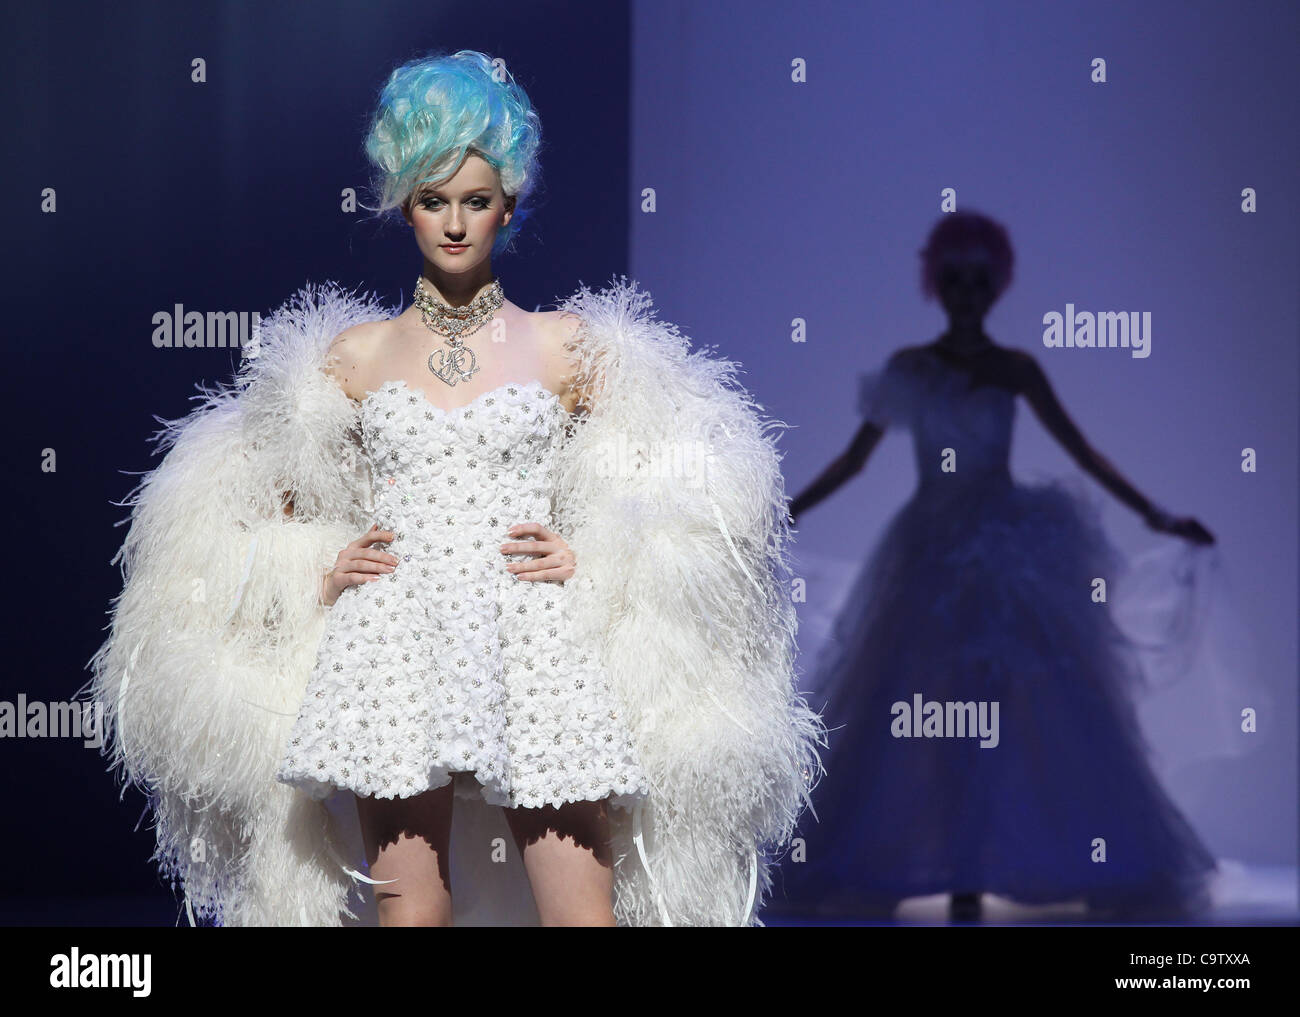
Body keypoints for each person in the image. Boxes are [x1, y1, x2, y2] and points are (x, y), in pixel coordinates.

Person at [82, 49, 824, 927]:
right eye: (435, 200)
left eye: (476, 200)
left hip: (532, 639)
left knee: (584, 918)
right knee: (412, 917)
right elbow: (235, 500)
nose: (456, 223)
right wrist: (313, 568)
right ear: (405, 203)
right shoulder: (352, 357)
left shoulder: (567, 348)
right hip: (395, 640)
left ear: (510, 202)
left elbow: (685, 486)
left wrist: (601, 552)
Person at [775, 210, 1218, 922]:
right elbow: (855, 461)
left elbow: (1082, 452)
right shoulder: (909, 369)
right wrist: (784, 511)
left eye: (980, 280)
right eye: (956, 279)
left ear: (998, 286)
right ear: (937, 284)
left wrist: (1158, 516)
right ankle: (958, 874)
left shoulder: (1017, 369)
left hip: (1004, 552)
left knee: (1020, 716)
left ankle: (977, 869)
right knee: (924, 712)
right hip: (931, 552)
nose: (968, 292)